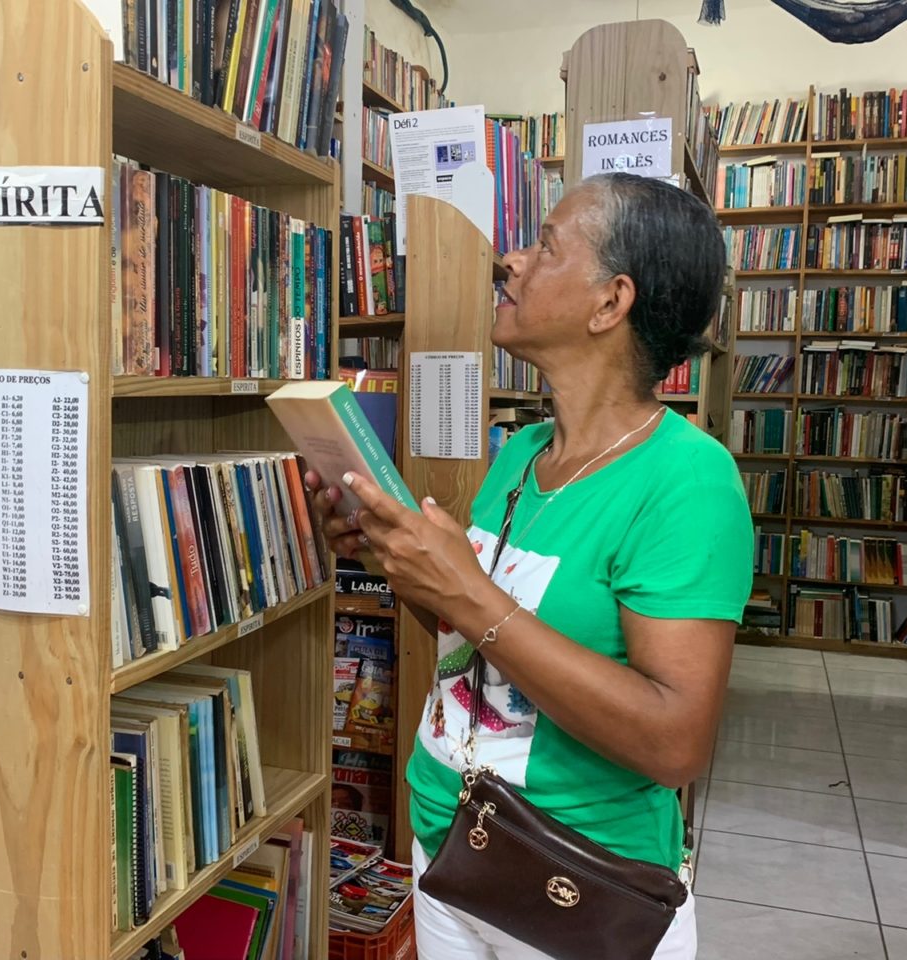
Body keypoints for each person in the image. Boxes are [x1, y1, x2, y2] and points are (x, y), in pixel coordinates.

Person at [306, 173, 753, 960]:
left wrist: (469, 595)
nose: (510, 260)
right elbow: (476, 637)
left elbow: (675, 741)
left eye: (545, 245)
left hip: (574, 878)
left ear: (610, 303)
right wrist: (393, 559)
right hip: (451, 845)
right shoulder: (519, 454)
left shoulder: (687, 479)